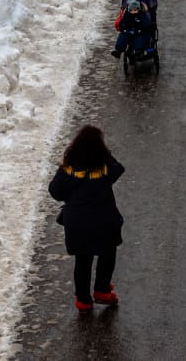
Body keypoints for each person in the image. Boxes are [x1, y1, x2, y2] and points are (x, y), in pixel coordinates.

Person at [48, 125, 126, 311]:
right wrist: (105, 155)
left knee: (83, 260)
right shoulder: (106, 166)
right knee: (107, 253)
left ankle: (83, 299)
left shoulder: (68, 168)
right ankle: (102, 289)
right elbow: (118, 168)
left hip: (77, 223)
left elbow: (55, 191)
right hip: (104, 221)